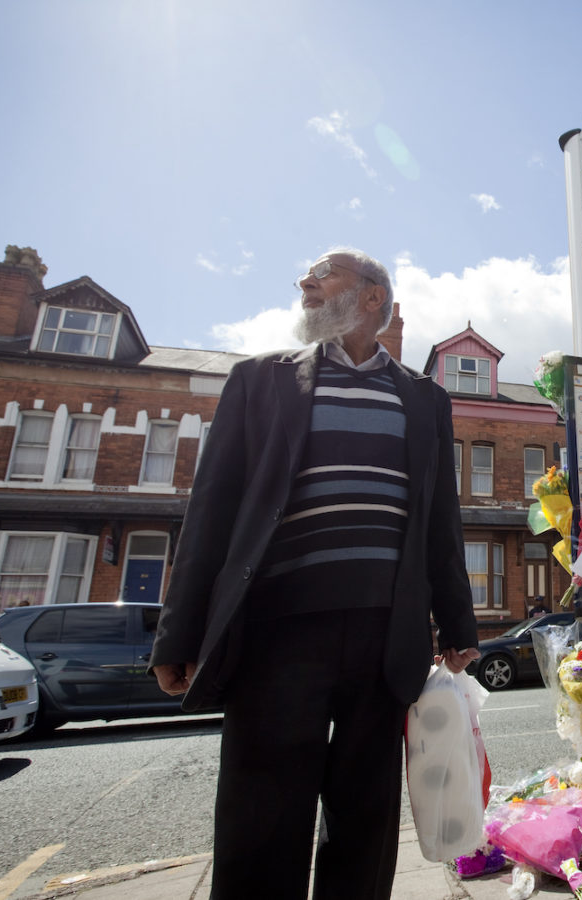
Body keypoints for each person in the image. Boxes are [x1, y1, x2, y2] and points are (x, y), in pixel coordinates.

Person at [150, 247, 480, 900]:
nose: (305, 282)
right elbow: (211, 510)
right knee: (260, 821)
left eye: (323, 273)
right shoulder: (259, 379)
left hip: (386, 634)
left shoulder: (424, 399)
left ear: (371, 296)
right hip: (277, 630)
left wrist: (458, 624)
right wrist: (178, 635)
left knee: (364, 822)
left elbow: (440, 520)